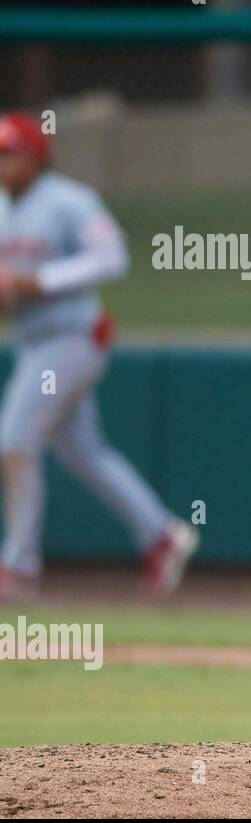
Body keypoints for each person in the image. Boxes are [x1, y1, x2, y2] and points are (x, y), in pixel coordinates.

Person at [0, 112, 199, 602]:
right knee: (83, 452)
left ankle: (19, 569)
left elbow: (113, 257)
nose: (2, 163)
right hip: (34, 341)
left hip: (72, 338)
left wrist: (38, 282)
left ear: (35, 156)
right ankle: (162, 534)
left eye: (9, 153)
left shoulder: (69, 200)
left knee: (14, 440)